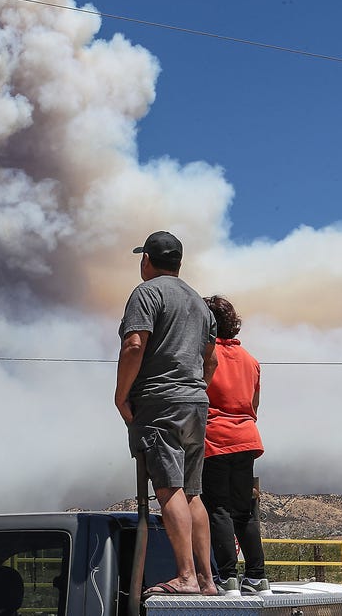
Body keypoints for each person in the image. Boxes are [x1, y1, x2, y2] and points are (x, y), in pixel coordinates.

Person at [115, 231, 219, 597]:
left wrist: (121, 395)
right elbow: (211, 361)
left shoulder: (146, 294)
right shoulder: (200, 304)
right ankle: (206, 580)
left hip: (159, 404)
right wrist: (195, 389)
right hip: (196, 403)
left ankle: (186, 576)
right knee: (192, 492)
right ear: (179, 262)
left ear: (146, 259)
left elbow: (134, 344)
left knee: (168, 487)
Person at [200, 295, 268, 596]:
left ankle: (227, 577)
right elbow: (254, 405)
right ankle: (257, 577)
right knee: (244, 511)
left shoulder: (205, 355)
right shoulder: (251, 360)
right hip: (246, 438)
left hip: (214, 439)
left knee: (218, 509)